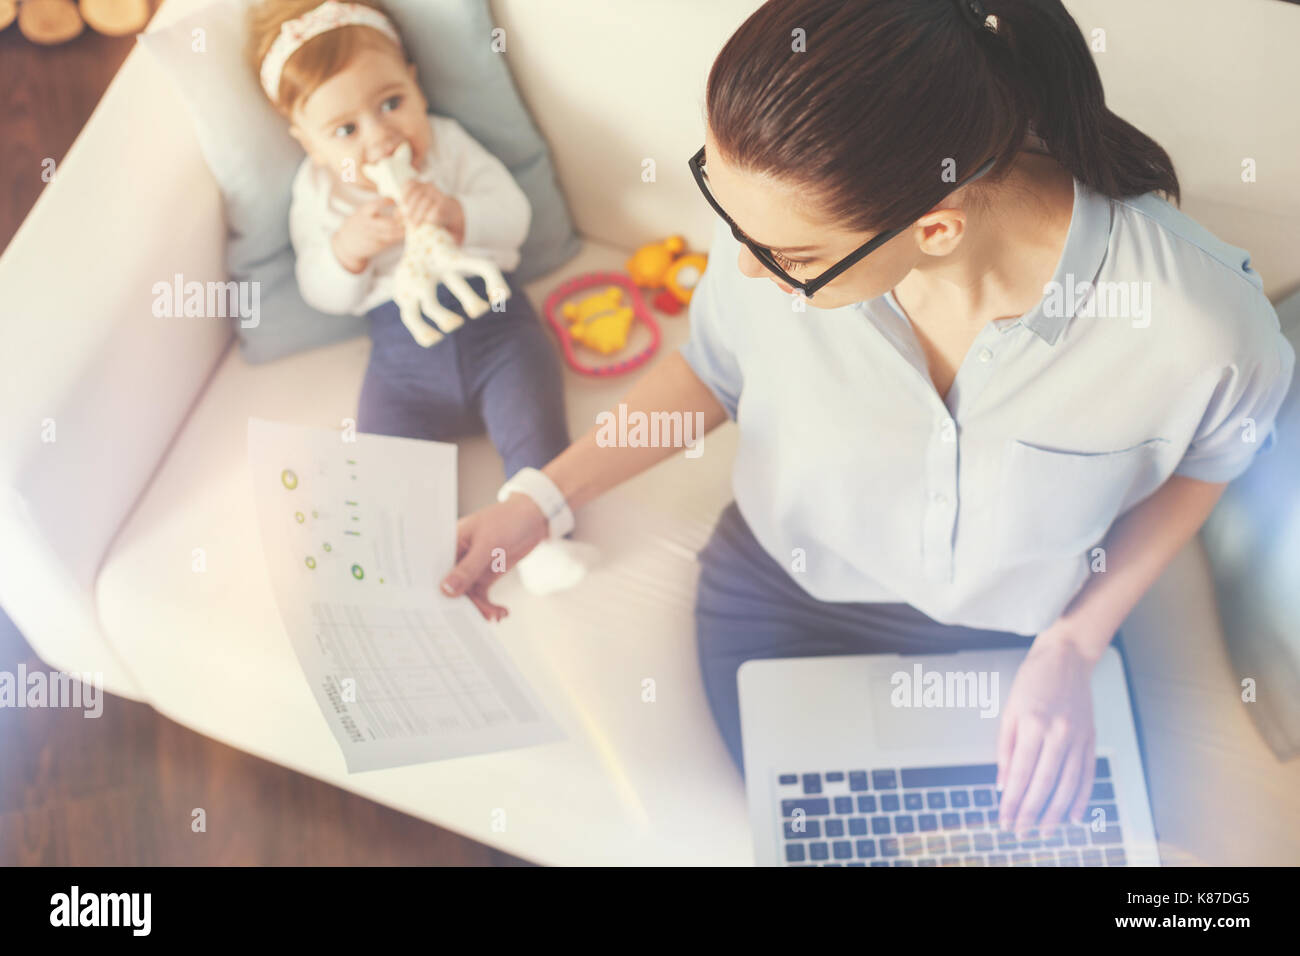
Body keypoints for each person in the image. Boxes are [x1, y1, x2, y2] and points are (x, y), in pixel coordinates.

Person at [442, 0, 1295, 838]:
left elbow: (1214, 459)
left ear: (936, 229)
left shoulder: (1199, 327)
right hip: (787, 594)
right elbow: (713, 370)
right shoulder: (780, 212)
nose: (743, 268)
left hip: (1023, 628)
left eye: (790, 259)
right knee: (834, 840)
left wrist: (1075, 643)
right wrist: (539, 499)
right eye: (733, 218)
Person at [247, 0, 591, 594]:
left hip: (498, 329)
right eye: (345, 130)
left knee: (533, 413)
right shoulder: (320, 195)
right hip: (404, 362)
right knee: (381, 460)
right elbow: (319, 287)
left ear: (416, 83)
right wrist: (347, 251)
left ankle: (540, 538)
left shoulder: (453, 148)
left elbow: (515, 216)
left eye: (391, 103)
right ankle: (409, 554)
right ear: (308, 142)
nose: (381, 138)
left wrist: (460, 215)